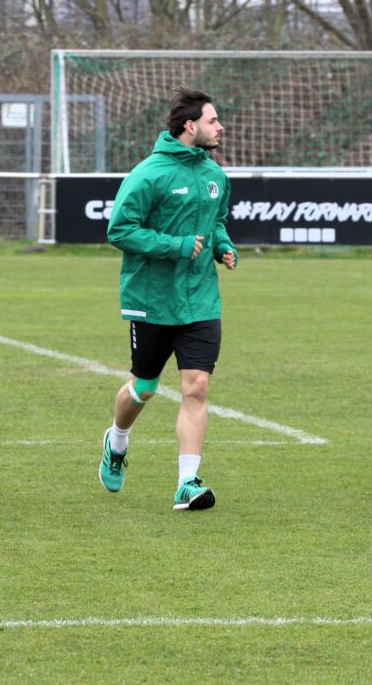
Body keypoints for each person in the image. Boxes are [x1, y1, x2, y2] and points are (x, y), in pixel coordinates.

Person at [99, 87, 238, 511]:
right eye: (214, 120)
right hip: (152, 300)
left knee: (196, 387)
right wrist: (176, 246)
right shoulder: (148, 174)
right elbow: (119, 230)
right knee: (143, 388)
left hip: (200, 301)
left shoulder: (215, 176)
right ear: (190, 126)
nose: (220, 127)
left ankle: (187, 483)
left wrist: (222, 245)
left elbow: (214, 224)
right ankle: (117, 440)